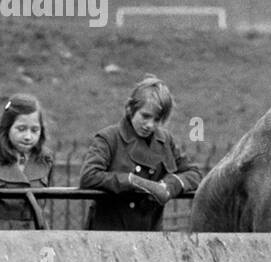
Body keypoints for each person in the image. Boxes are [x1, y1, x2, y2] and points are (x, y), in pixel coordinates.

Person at [80, 76, 201, 230]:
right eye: (145, 116)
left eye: (157, 120)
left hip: (149, 233)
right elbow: (89, 176)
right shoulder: (109, 138)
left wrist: (168, 186)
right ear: (131, 109)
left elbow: (193, 173)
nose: (149, 125)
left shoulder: (165, 141)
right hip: (109, 232)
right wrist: (135, 182)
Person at [0, 94, 54, 230]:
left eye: (34, 130)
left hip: (36, 236)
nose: (28, 136)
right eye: (21, 129)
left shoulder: (46, 161)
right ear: (7, 127)